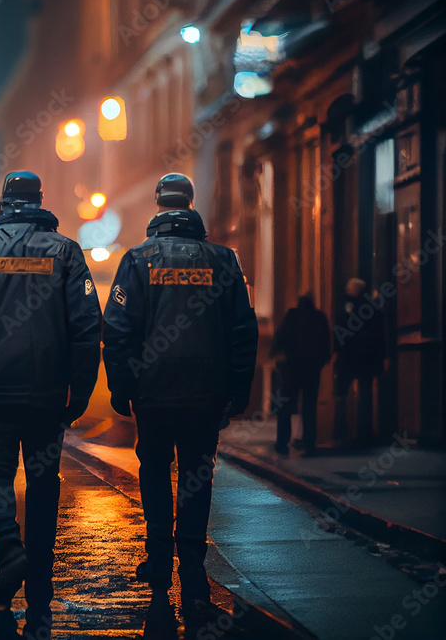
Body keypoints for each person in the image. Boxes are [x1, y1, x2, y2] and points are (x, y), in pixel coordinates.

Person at [0, 171, 101, 640]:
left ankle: (9, 548)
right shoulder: (66, 251)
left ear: (3, 203)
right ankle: (40, 592)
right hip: (49, 394)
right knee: (43, 483)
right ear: (40, 201)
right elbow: (87, 325)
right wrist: (80, 389)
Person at [102, 174, 258, 634]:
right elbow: (243, 330)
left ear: (158, 206)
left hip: (154, 394)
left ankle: (158, 563)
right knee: (196, 476)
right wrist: (239, 390)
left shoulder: (137, 260)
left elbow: (117, 329)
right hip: (205, 395)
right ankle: (193, 571)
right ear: (190, 205)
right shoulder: (223, 260)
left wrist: (121, 387)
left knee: (153, 472)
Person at [271, 293, 330, 455]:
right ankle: (309, 443)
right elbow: (326, 342)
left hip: (291, 368)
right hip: (312, 369)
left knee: (285, 406)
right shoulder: (319, 317)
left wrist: (277, 356)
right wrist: (321, 361)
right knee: (309, 407)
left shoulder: (292, 316)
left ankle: (282, 443)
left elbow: (280, 337)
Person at [333, 278, 385, 446]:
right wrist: (382, 356)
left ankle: (341, 431)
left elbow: (339, 330)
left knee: (341, 393)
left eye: (349, 289)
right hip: (367, 357)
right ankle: (364, 432)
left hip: (348, 356)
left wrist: (336, 352)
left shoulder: (346, 306)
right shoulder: (372, 306)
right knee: (365, 395)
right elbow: (379, 333)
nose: (347, 291)